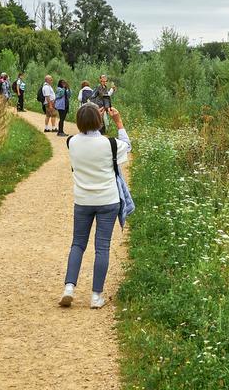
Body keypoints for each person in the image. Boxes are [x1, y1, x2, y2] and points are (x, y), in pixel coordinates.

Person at [60, 103, 130, 309]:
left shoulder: (71, 142)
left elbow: (85, 132)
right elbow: (128, 144)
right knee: (102, 247)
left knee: (78, 244)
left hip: (83, 200)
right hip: (107, 199)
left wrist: (91, 117)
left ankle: (69, 288)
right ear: (100, 122)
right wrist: (118, 122)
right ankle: (96, 295)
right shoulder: (110, 145)